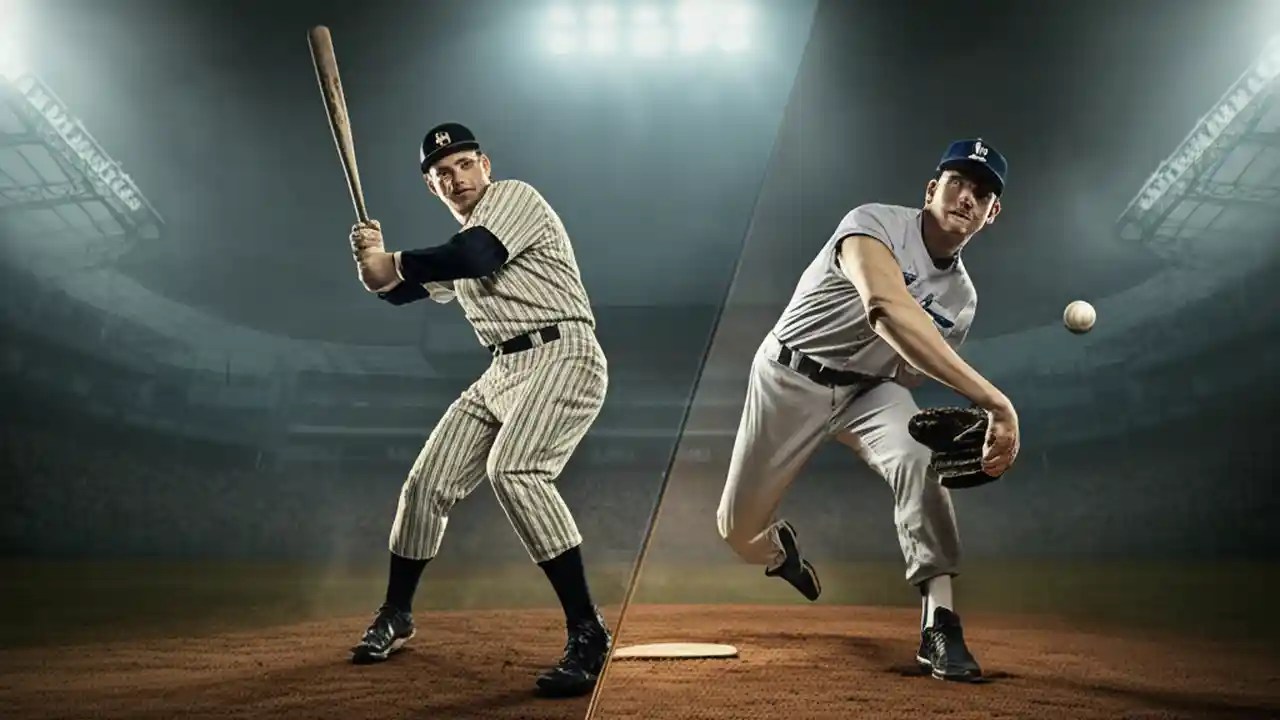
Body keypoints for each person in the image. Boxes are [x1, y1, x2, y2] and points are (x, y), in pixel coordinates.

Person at [716, 138, 1021, 682]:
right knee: (737, 529)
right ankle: (776, 550)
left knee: (920, 458)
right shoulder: (872, 223)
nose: (967, 197)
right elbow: (885, 310)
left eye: (983, 193)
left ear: (992, 214)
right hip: (790, 376)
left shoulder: (962, 300)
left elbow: (909, 371)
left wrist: (931, 427)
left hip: (868, 391)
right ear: (932, 189)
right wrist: (993, 401)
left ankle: (940, 623)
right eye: (957, 182)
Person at [346, 122, 611, 698]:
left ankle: (588, 632)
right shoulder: (457, 245)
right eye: (442, 173)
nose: (456, 176)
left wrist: (391, 260)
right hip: (502, 371)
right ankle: (396, 613)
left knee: (513, 470)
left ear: (485, 165)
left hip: (563, 351)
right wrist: (371, 265)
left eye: (464, 164)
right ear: (432, 188)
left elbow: (476, 253)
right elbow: (401, 289)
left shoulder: (514, 198)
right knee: (425, 485)